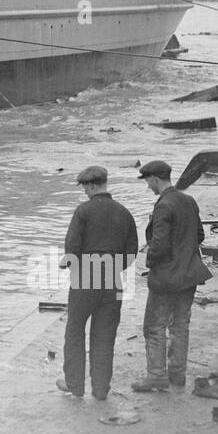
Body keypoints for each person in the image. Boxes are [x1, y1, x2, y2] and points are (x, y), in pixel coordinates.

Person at [55, 165, 138, 401]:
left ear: (91, 186)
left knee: (75, 331)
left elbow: (71, 249)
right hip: (113, 281)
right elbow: (132, 251)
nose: (84, 192)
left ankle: (75, 385)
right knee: (104, 335)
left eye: (84, 187)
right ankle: (101, 388)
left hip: (84, 282)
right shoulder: (124, 213)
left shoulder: (83, 211)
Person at [133, 160, 211, 393]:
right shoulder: (188, 200)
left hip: (167, 276)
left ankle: (156, 375)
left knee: (154, 326)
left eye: (148, 182)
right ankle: (178, 374)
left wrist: (150, 262)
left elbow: (158, 245)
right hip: (189, 274)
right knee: (180, 325)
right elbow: (199, 235)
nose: (148, 187)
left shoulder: (164, 205)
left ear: (155, 179)